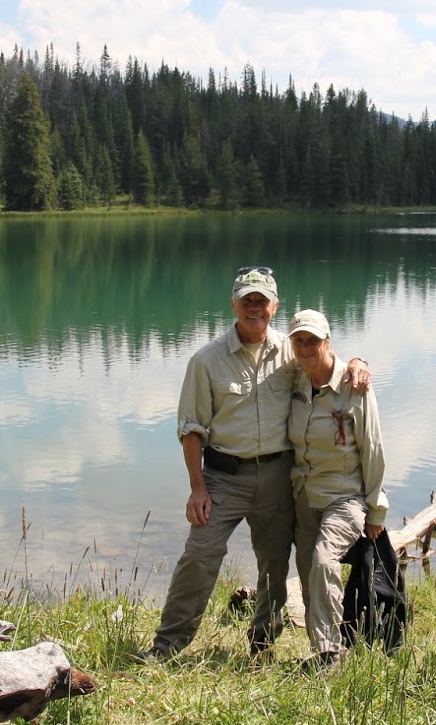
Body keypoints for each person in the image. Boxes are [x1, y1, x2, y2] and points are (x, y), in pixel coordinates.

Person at [139, 269, 368, 661]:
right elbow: (191, 429)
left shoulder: (290, 351)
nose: (254, 307)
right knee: (200, 554)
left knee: (274, 565)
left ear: (274, 306)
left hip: (279, 477)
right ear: (234, 304)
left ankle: (263, 642)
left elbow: (323, 362)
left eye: (262, 301)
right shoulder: (206, 361)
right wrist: (197, 488)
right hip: (223, 479)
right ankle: (167, 645)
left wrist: (358, 362)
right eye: (247, 299)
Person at [284, 309, 389, 668]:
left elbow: (373, 448)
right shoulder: (295, 378)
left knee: (324, 561)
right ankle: (321, 647)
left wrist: (377, 508)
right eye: (298, 340)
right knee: (306, 569)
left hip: (345, 497)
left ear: (328, 342)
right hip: (304, 495)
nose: (305, 347)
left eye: (312, 340)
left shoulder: (354, 385)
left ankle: (331, 653)